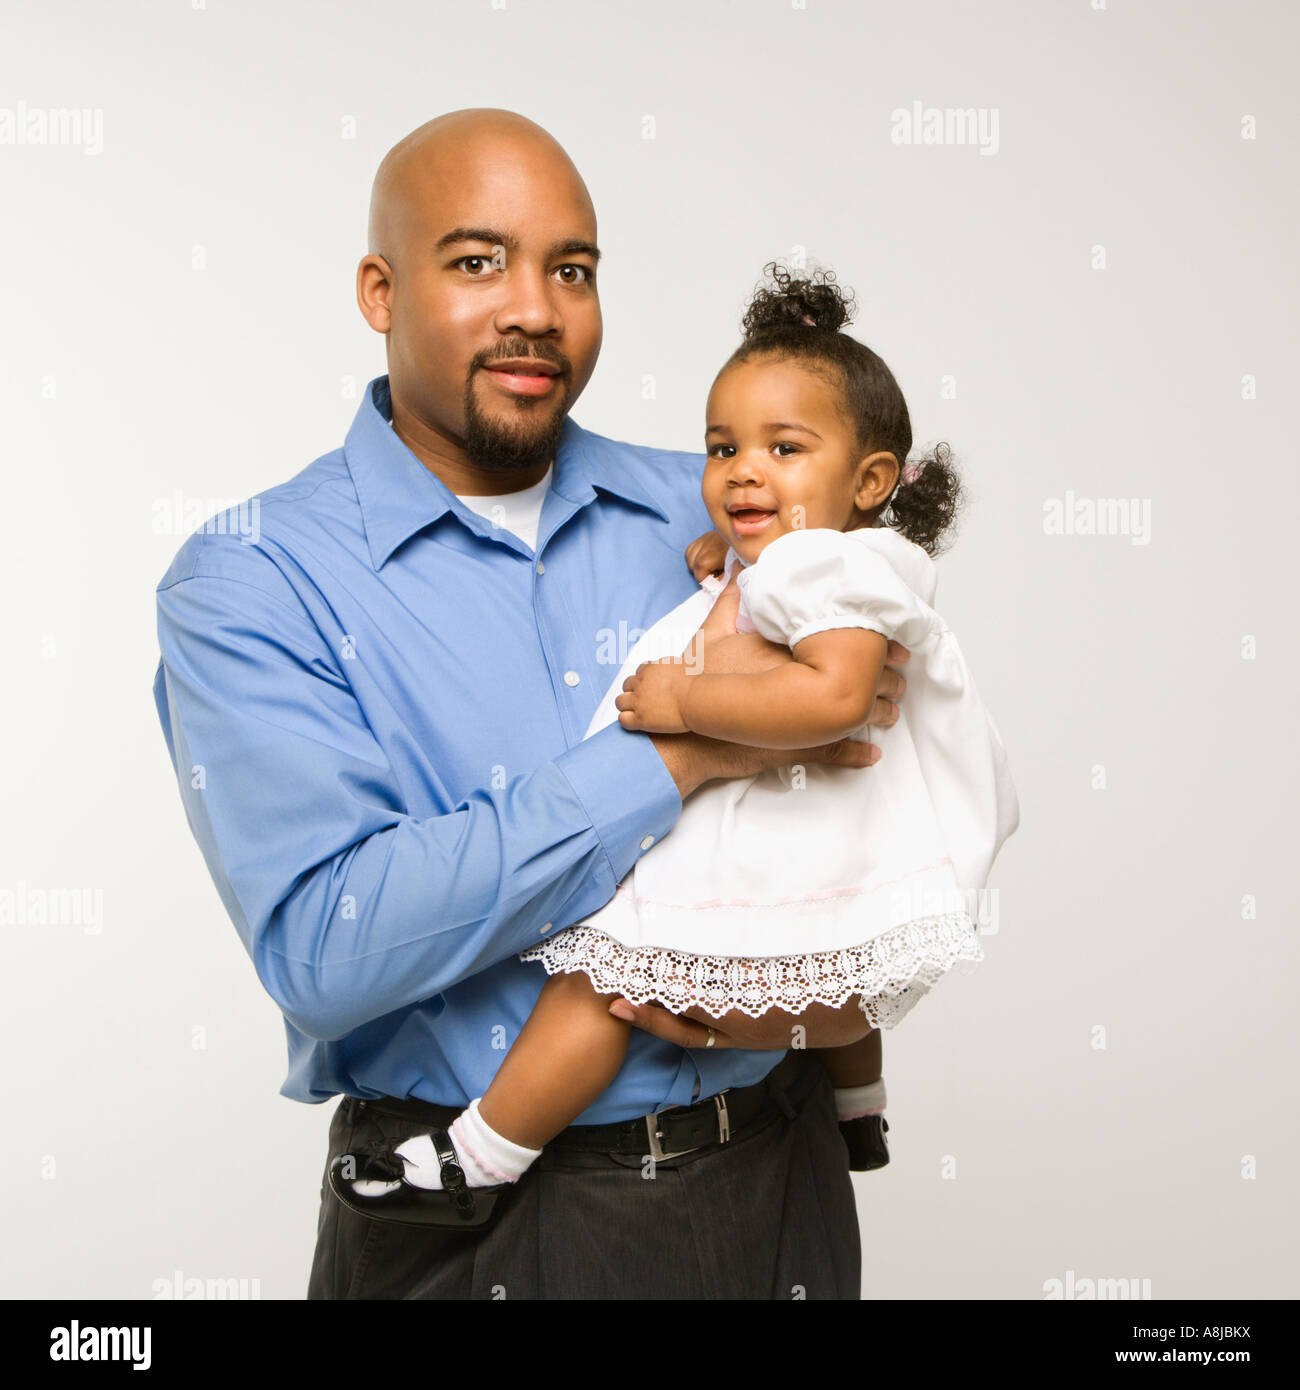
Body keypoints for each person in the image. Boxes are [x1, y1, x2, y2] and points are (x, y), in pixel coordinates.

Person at [153, 108, 914, 1300]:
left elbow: (872, 761)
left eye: (572, 270)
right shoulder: (254, 575)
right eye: (474, 262)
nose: (534, 309)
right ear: (378, 290)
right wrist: (675, 757)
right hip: (474, 1224)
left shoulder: (719, 512)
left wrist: (810, 1016)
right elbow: (326, 947)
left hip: (771, 1179)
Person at [338, 265, 1019, 1212]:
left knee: (601, 972)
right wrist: (730, 555)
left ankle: (487, 1148)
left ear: (868, 480)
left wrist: (687, 706)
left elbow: (832, 699)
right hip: (847, 824)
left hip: (785, 805)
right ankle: (858, 1105)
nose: (743, 470)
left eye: (784, 448)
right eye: (721, 447)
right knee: (836, 933)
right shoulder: (844, 554)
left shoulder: (819, 569)